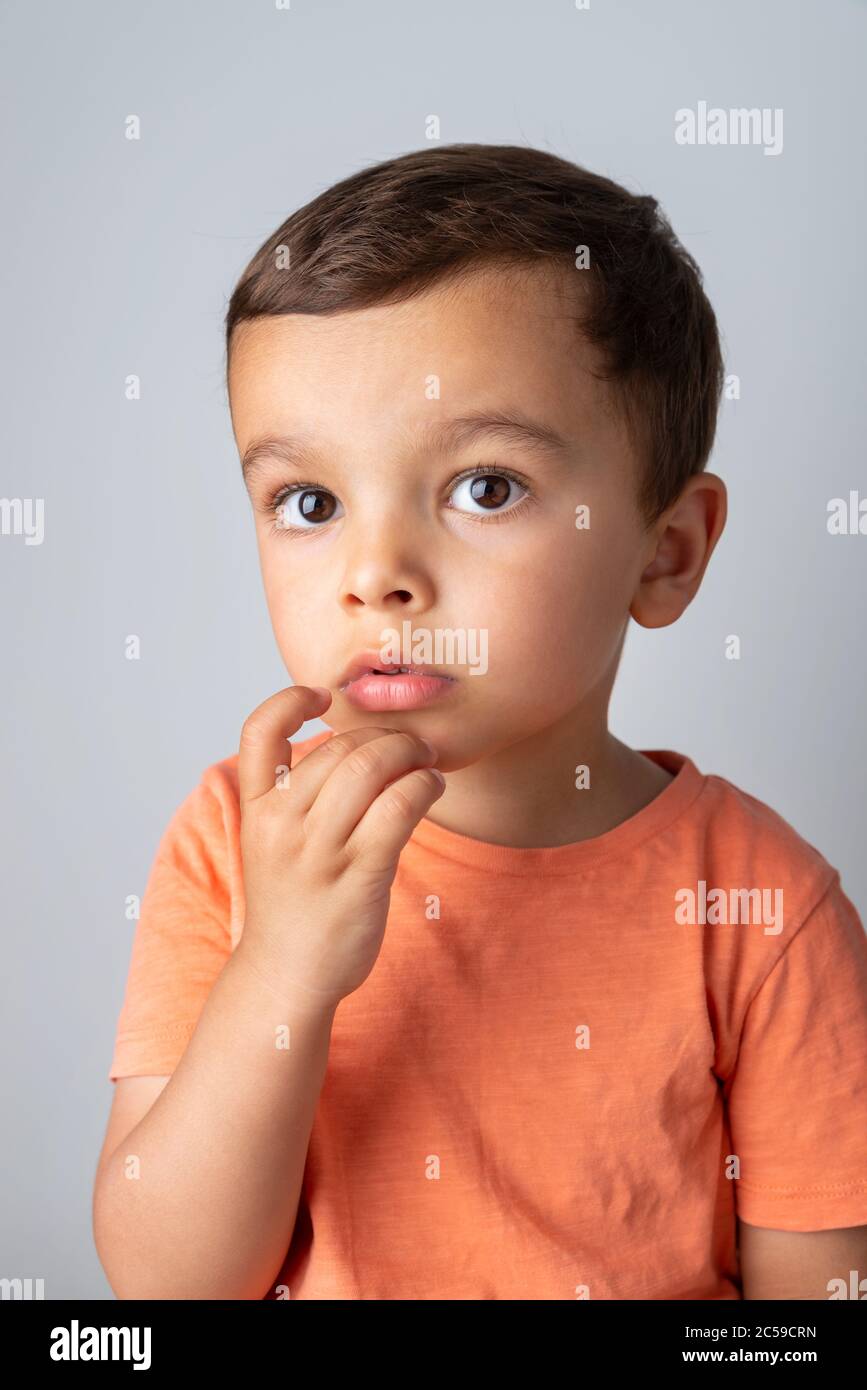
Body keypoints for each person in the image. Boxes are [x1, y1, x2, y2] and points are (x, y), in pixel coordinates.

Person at [93, 143, 867, 1300]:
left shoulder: (760, 907)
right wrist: (283, 969)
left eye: (484, 487)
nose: (377, 573)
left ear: (667, 552)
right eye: (310, 503)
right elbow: (166, 1288)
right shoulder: (235, 841)